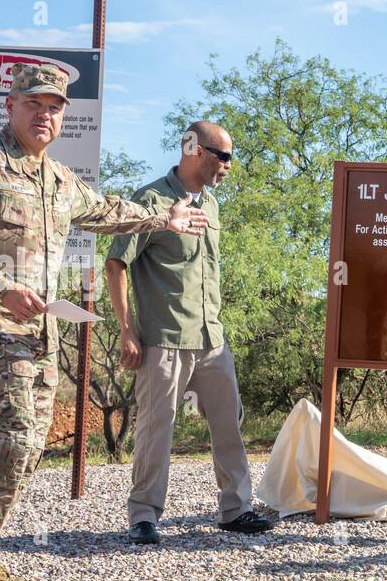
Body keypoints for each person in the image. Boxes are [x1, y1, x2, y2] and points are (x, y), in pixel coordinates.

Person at [0, 64, 209, 581]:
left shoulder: (58, 179)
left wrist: (163, 220)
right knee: (9, 439)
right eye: (35, 104)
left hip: (41, 335)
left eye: (55, 107)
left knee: (26, 449)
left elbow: (106, 210)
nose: (45, 114)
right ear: (11, 106)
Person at [106, 121, 274, 544]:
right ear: (194, 150)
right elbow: (116, 264)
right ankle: (144, 516)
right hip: (163, 338)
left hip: (211, 340)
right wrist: (128, 330)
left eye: (231, 157)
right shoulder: (151, 201)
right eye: (223, 156)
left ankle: (237, 509)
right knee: (156, 429)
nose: (229, 166)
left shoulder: (212, 206)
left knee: (229, 425)